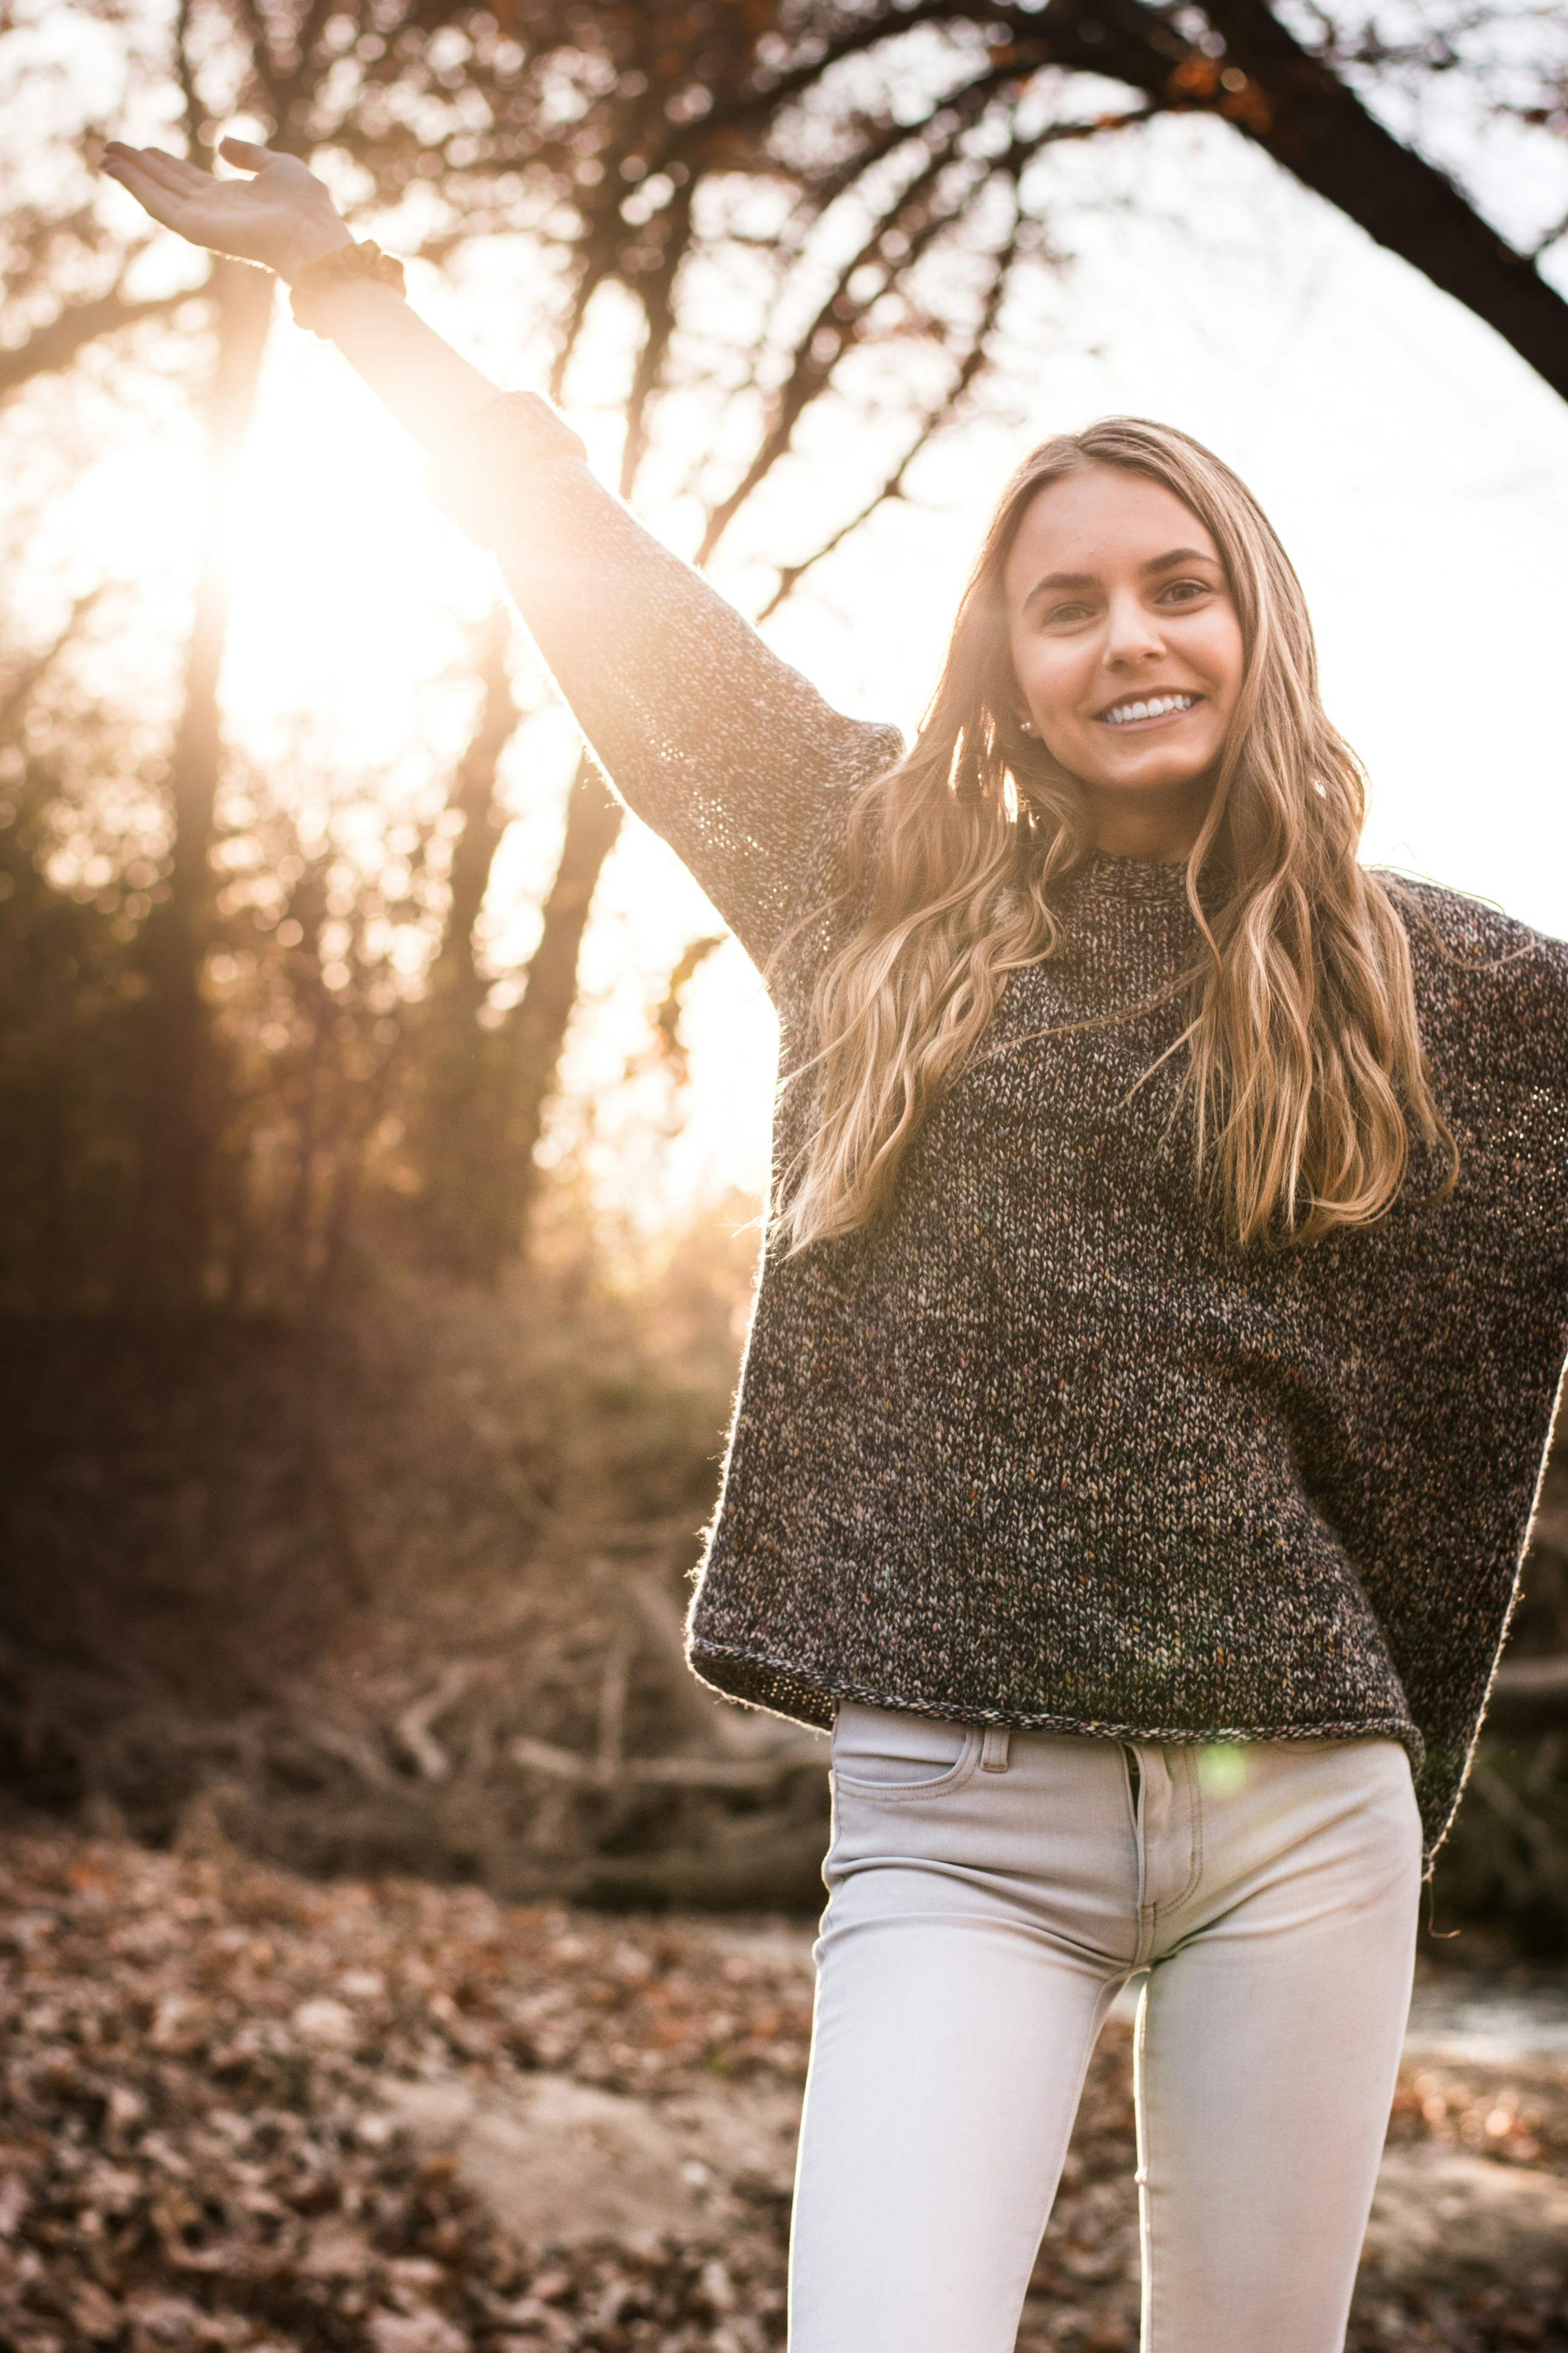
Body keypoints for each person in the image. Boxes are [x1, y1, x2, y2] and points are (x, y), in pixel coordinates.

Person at [102, 137, 1568, 2353]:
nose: (1131, 638)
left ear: (1258, 619)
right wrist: (361, 301)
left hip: (1304, 1820)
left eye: (1180, 585)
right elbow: (602, 586)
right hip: (960, 1819)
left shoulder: (1450, 982)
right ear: (1009, 653)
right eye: (1066, 604)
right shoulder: (870, 874)